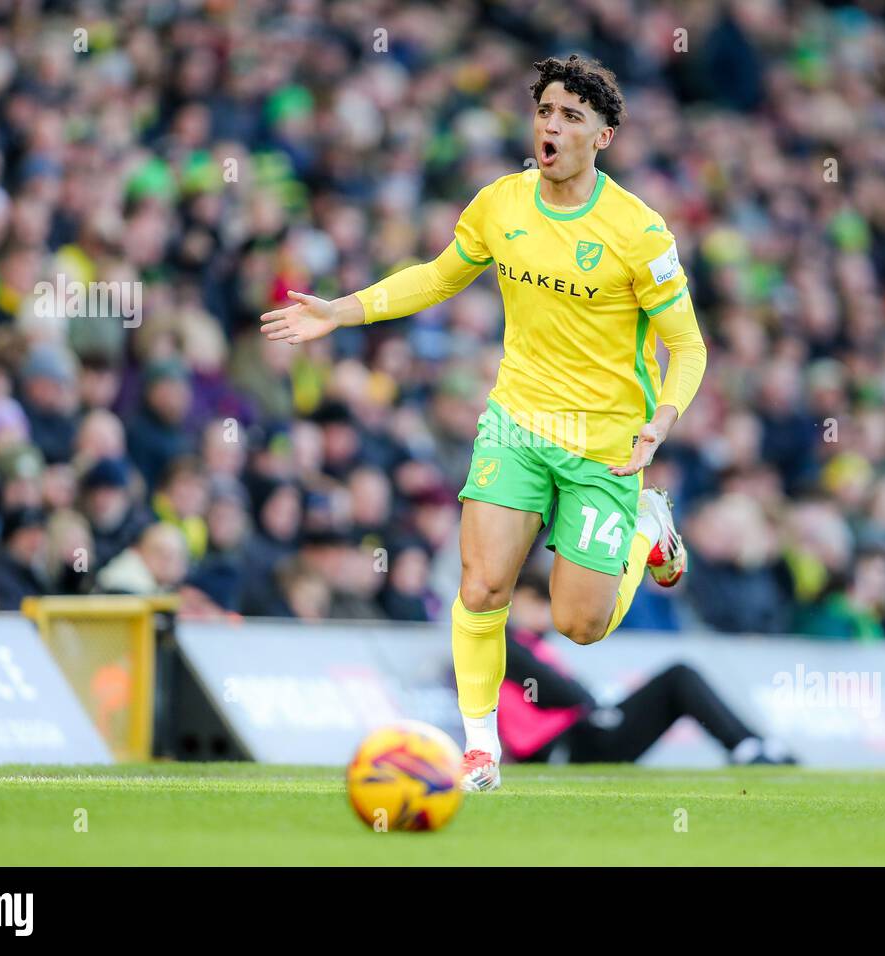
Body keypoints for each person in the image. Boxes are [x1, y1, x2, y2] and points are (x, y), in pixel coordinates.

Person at [260, 55, 708, 791]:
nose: (551, 126)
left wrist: (660, 422)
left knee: (579, 624)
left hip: (606, 445)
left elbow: (686, 345)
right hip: (517, 426)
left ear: (606, 136)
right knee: (482, 587)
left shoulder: (639, 231)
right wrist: (339, 311)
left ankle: (645, 530)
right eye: (545, 112)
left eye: (571, 116)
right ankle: (478, 750)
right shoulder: (500, 204)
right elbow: (437, 276)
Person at [500, 571, 794, 765]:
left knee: (678, 681)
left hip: (573, 740)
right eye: (539, 603)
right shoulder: (506, 642)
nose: (547, 613)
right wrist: (593, 705)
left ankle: (753, 745)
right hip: (561, 747)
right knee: (679, 677)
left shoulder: (529, 643)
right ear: (518, 600)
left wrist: (589, 703)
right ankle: (748, 748)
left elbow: (557, 689)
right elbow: (554, 689)